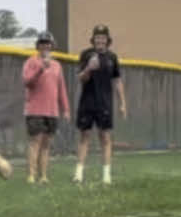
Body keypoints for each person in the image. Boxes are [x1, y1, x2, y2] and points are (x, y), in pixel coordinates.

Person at [73, 23, 127, 185]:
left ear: (107, 40)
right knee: (85, 137)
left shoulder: (112, 57)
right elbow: (81, 78)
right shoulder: (86, 54)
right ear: (93, 39)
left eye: (103, 38)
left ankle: (106, 175)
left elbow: (117, 81)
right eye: (97, 38)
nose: (100, 41)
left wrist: (123, 103)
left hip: (105, 103)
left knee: (105, 138)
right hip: (87, 102)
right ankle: (79, 173)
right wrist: (89, 68)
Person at [21, 30, 70, 184]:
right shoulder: (31, 62)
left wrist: (66, 109)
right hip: (35, 109)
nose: (45, 46)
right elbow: (27, 82)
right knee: (35, 142)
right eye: (42, 43)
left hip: (52, 111)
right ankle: (31, 175)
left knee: (47, 145)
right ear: (38, 46)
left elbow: (61, 88)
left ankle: (43, 176)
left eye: (47, 43)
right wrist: (41, 68)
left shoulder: (57, 65)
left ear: (51, 46)